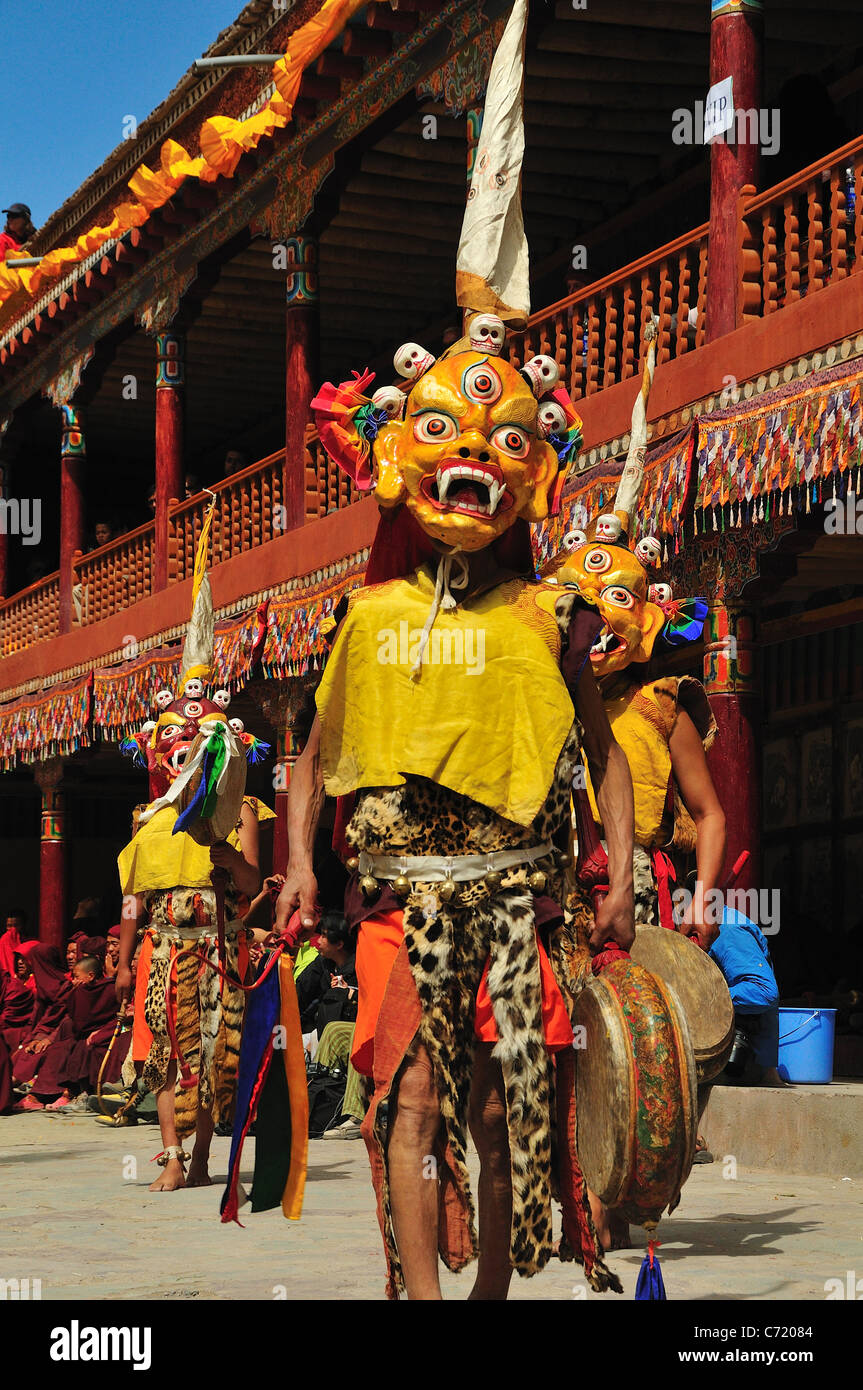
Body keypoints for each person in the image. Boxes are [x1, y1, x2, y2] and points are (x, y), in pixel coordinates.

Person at [276, 321, 635, 1300]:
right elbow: (310, 756)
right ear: (402, 463)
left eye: (503, 443)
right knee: (416, 1103)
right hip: (406, 899)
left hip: (517, 897)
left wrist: (625, 874)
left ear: (530, 481)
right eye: (447, 435)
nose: (473, 459)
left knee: (500, 1109)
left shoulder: (548, 618)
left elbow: (603, 758)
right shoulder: (375, 616)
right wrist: (303, 864)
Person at [115, 505, 274, 1189]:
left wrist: (223, 851)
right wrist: (123, 961)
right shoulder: (146, 819)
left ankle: (206, 1154)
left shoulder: (240, 807)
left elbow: (254, 882)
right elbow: (131, 899)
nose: (186, 746)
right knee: (162, 1054)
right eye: (177, 738)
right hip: (162, 943)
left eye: (200, 735)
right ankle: (173, 1156)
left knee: (213, 1054)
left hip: (218, 937)